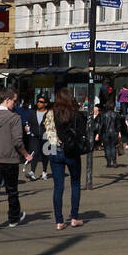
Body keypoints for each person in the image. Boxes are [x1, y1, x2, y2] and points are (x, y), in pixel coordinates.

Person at [0, 89, 32, 232]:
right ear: (7, 100)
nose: (14, 104)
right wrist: (25, 154)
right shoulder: (14, 118)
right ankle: (13, 218)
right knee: (12, 190)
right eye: (14, 101)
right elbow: (17, 141)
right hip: (9, 159)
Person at [42, 89, 86, 230]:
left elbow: (43, 130)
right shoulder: (75, 114)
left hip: (55, 150)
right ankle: (74, 217)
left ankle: (59, 221)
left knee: (58, 186)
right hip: (72, 151)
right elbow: (82, 132)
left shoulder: (51, 113)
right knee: (75, 183)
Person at [28, 96, 51, 179]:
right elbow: (29, 123)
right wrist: (27, 129)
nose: (39, 103)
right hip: (34, 136)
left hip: (45, 136)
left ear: (46, 104)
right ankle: (32, 171)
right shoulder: (33, 113)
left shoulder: (49, 113)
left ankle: (44, 171)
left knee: (45, 154)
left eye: (41, 102)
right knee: (34, 153)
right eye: (38, 101)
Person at [97, 102, 120, 168]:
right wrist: (119, 132)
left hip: (105, 133)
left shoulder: (103, 115)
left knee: (106, 148)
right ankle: (114, 161)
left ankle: (108, 162)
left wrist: (98, 134)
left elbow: (101, 125)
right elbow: (118, 125)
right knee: (113, 147)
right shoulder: (116, 114)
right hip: (114, 132)